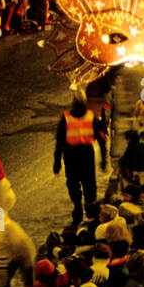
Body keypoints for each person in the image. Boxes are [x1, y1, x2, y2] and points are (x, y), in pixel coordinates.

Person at [53, 90, 104, 224]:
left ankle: (79, 208)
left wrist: (57, 161)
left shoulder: (66, 118)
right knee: (88, 184)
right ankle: (88, 209)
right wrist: (104, 158)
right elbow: (101, 139)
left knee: (74, 184)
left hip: (71, 156)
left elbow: (59, 142)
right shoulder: (90, 117)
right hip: (85, 155)